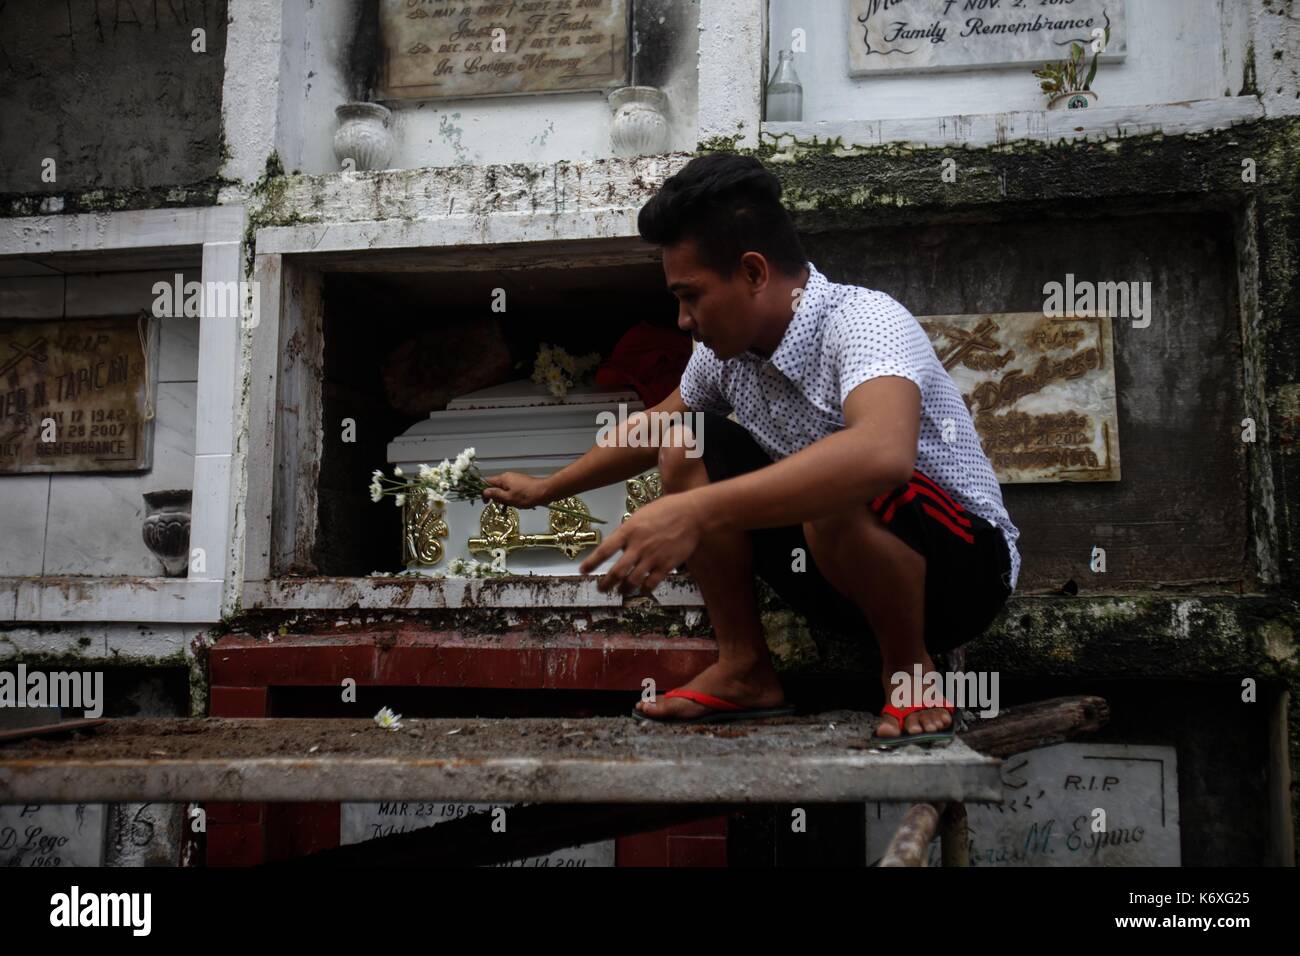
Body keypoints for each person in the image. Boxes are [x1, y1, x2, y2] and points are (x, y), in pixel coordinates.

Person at [483, 154, 1020, 744]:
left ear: (754, 273)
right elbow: (654, 426)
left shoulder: (864, 321)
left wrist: (692, 512)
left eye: (691, 296)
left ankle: (908, 674)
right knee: (685, 442)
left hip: (960, 578)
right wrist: (546, 489)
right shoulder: (723, 353)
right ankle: (745, 669)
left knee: (835, 476)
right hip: (841, 576)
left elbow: (881, 455)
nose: (683, 320)